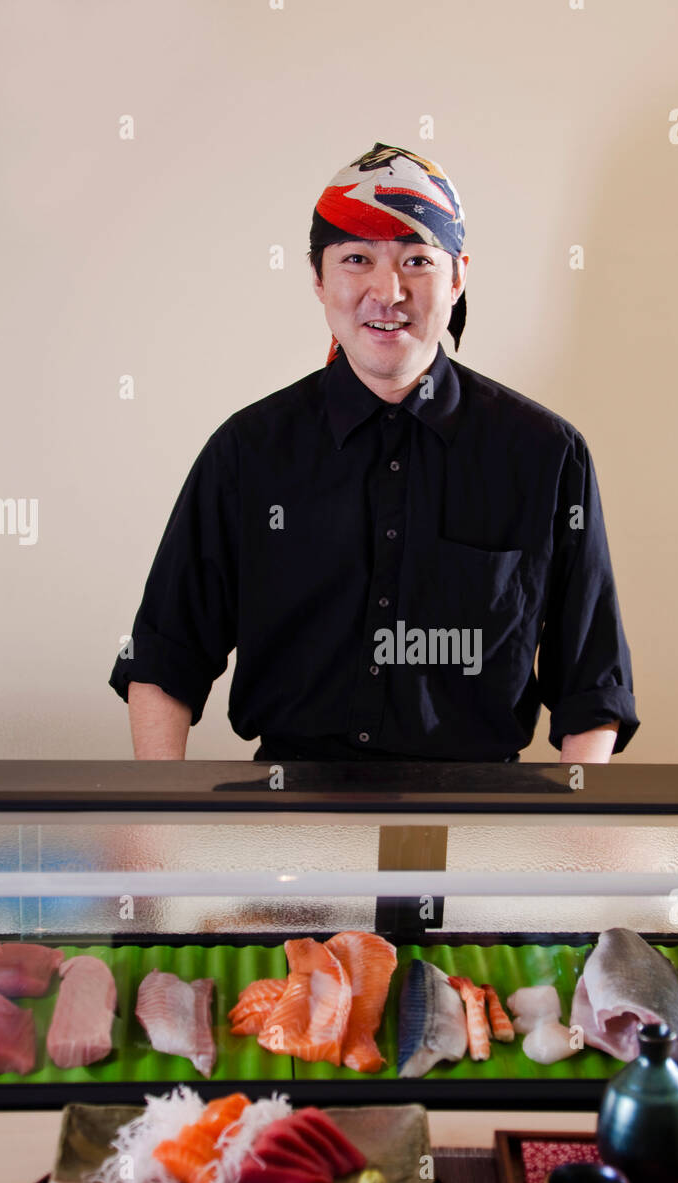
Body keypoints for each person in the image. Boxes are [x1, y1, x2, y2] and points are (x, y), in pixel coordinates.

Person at [109, 141, 639, 764]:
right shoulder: (247, 452)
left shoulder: (546, 456)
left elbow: (592, 686)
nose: (388, 292)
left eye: (417, 260)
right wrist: (158, 822)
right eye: (357, 258)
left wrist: (570, 843)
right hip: (287, 824)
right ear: (318, 277)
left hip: (480, 823)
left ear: (458, 275)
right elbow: (164, 660)